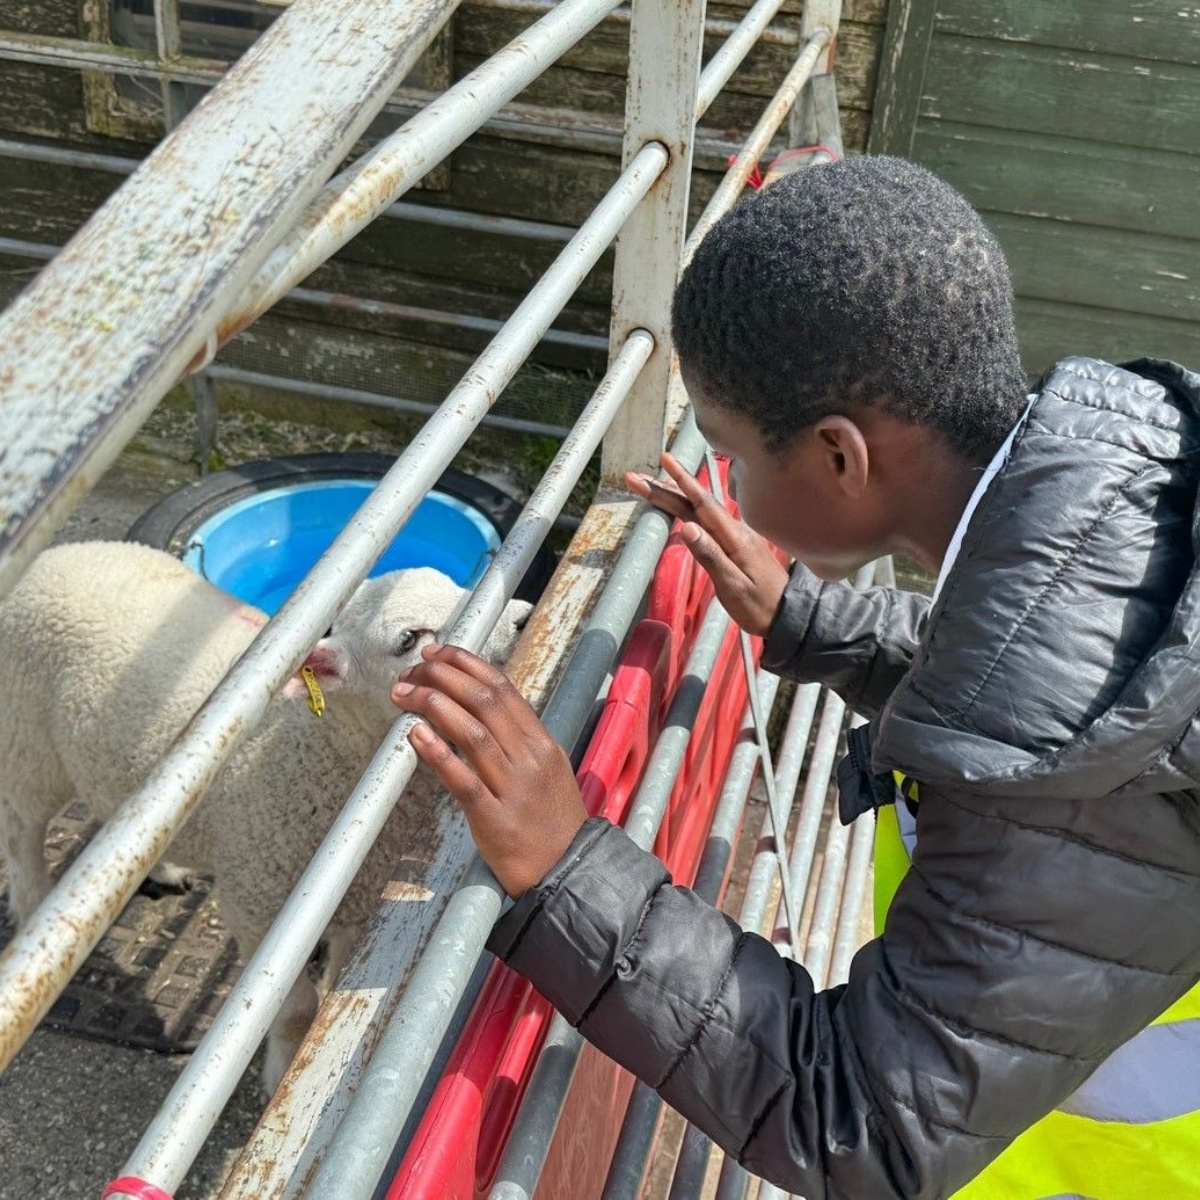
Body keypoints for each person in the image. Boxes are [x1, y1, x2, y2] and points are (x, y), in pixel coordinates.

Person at [391, 155, 1200, 1199]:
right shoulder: (1133, 465)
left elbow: (861, 1123)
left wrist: (567, 867)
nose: (723, 478)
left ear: (840, 458)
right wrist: (815, 622)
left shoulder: (1047, 800)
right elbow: (1076, 682)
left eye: (730, 448)